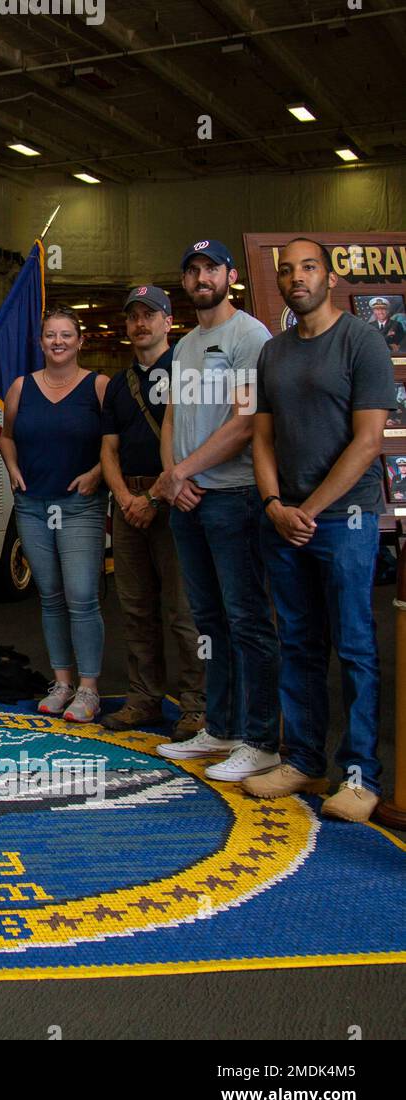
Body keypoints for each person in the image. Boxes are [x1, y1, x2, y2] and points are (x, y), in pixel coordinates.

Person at [245, 238, 396, 821]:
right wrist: (276, 503)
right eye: (287, 271)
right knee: (300, 643)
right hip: (284, 520)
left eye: (308, 268)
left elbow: (368, 441)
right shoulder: (274, 352)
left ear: (329, 278)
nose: (296, 278)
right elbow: (261, 436)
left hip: (344, 517)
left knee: (355, 645)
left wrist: (308, 509)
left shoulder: (362, 341)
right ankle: (304, 759)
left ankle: (360, 774)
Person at [152, 238, 280, 781]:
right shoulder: (184, 346)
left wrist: (186, 471)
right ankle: (222, 726)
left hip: (233, 497)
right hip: (189, 500)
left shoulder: (250, 336)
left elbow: (246, 422)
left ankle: (263, 739)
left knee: (247, 620)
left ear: (230, 275)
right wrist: (172, 476)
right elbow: (175, 417)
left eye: (211, 268)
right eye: (193, 270)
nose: (202, 277)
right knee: (210, 621)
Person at [98, 285, 205, 740]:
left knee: (184, 611)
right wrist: (125, 499)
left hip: (176, 500)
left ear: (168, 322)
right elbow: (108, 450)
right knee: (136, 608)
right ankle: (144, 698)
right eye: (133, 317)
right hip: (129, 503)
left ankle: (198, 705)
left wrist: (156, 498)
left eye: (150, 315)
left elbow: (199, 441)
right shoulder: (119, 385)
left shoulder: (188, 370)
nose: (140, 324)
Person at [0, 306, 109, 723]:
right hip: (32, 506)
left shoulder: (98, 387)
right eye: (50, 335)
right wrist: (12, 469)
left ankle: (89, 688)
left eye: (66, 335)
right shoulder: (20, 388)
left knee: (81, 597)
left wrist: (97, 473)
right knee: (50, 597)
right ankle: (62, 682)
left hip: (80, 506)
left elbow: (113, 444)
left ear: (80, 341)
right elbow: (6, 437)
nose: (58, 342)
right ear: (40, 342)